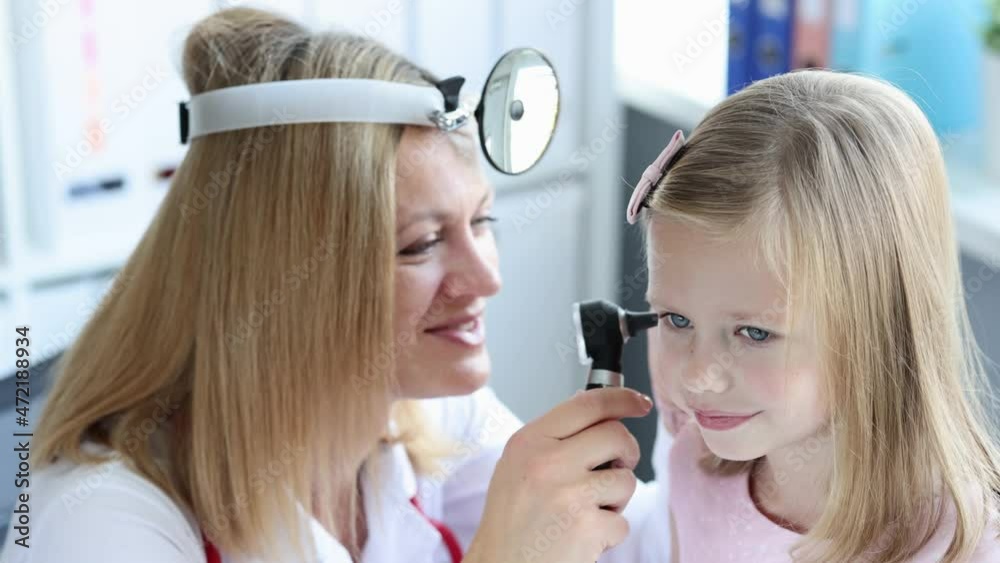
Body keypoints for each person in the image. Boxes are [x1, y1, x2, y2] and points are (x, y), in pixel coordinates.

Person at [0, 8, 656, 563]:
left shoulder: (423, 413)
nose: (487, 277)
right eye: (421, 244)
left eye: (481, 222)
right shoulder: (99, 523)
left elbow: (635, 545)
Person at [629, 70, 1000, 562]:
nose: (698, 376)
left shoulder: (959, 547)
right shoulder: (692, 463)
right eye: (676, 320)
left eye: (754, 333)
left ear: (876, 328)